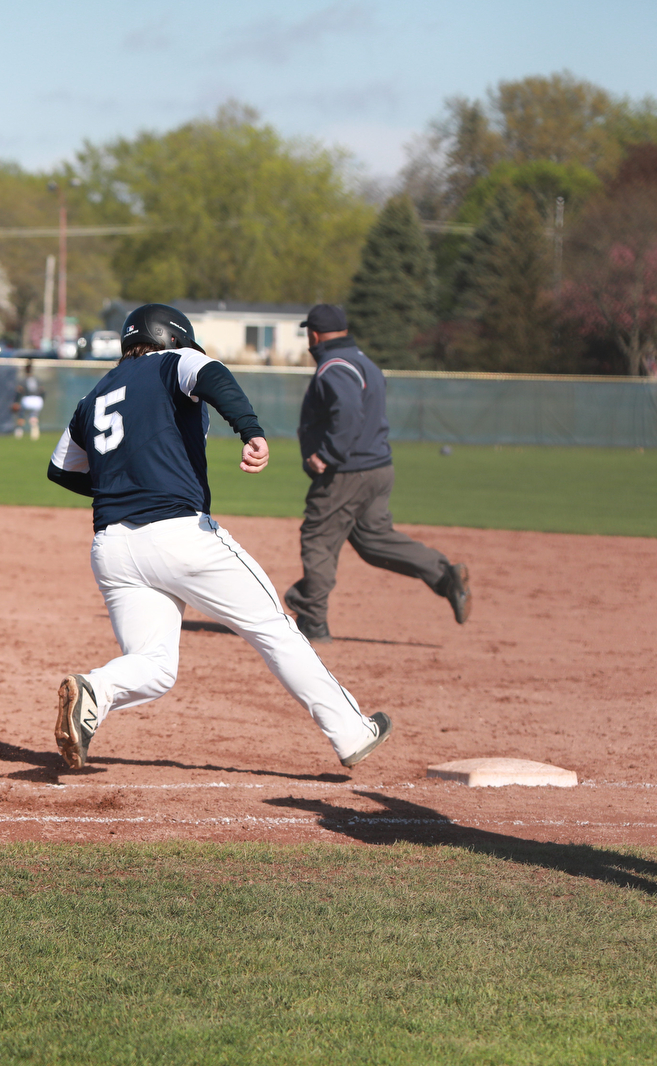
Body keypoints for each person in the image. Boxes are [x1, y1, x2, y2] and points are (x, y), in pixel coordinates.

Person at [46, 303, 392, 771]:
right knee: (274, 629)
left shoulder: (94, 395)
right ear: (170, 338)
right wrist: (250, 430)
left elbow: (61, 468)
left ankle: (95, 689)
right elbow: (211, 373)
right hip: (180, 535)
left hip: (113, 549)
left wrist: (120, 481)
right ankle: (351, 732)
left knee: (153, 666)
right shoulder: (172, 362)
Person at [281, 303, 470, 643]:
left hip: (347, 472)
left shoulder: (333, 366)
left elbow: (349, 412)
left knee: (318, 538)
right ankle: (444, 576)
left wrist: (328, 454)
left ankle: (312, 620)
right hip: (378, 469)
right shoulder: (362, 361)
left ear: (314, 334)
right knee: (374, 540)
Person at [14, 359, 45, 440]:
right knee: (34, 415)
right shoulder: (37, 379)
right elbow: (43, 391)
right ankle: (34, 432)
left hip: (27, 399)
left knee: (21, 414)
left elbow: (19, 391)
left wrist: (16, 402)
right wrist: (42, 401)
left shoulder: (23, 380)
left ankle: (19, 431)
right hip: (38, 400)